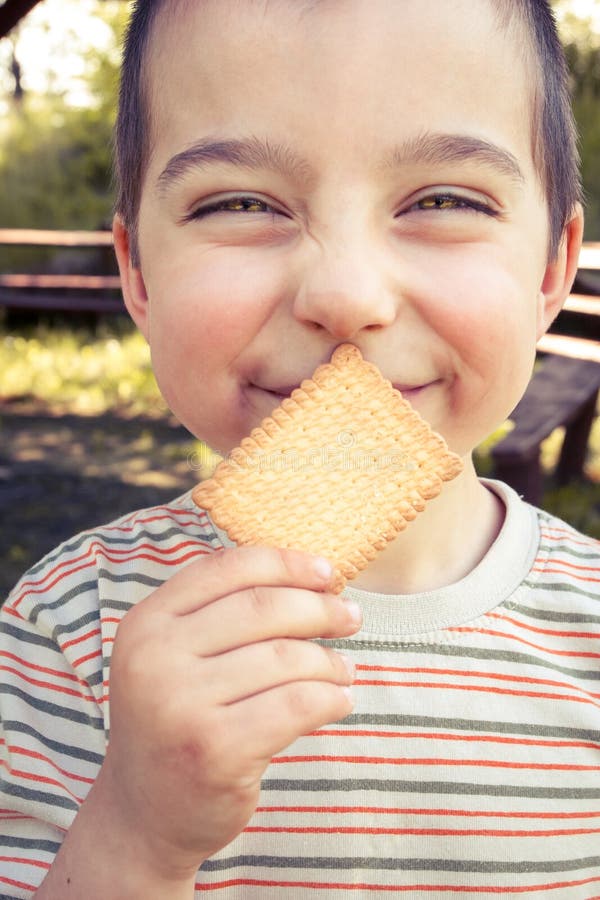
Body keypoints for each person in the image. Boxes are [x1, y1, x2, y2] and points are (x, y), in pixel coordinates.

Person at [0, 0, 597, 896]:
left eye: (444, 199)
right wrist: (136, 832)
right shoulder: (65, 631)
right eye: (241, 202)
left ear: (552, 267)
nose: (346, 293)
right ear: (138, 273)